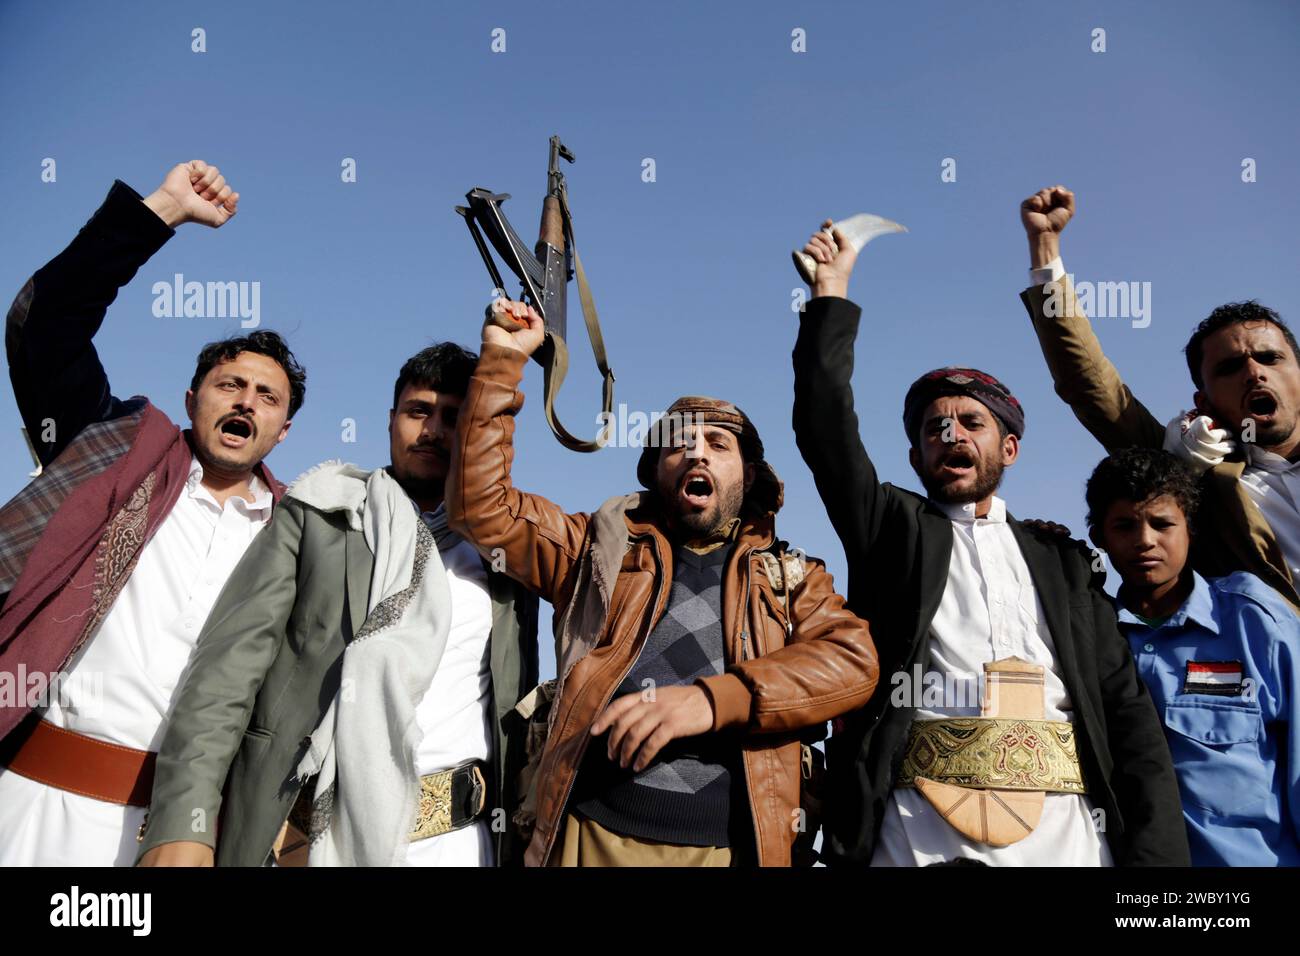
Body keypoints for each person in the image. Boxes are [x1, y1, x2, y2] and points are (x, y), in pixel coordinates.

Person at [791, 219, 1188, 866]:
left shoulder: (1062, 565)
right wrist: (830, 293)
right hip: (915, 840)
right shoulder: (892, 531)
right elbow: (824, 426)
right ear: (916, 457)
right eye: (933, 428)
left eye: (971, 422)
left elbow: (1129, 722)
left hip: (1069, 845)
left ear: (1008, 447)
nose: (951, 435)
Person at [445, 297, 880, 866]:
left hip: (732, 848)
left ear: (748, 476)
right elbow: (482, 508)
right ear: (656, 472)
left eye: (718, 443)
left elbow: (854, 662)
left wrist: (711, 701)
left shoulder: (791, 576)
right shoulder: (592, 548)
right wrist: (503, 361)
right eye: (678, 444)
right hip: (591, 836)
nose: (696, 451)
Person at [0, 161, 305, 866]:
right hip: (35, 806)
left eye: (267, 396)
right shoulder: (114, 449)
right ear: (193, 397)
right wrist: (159, 212)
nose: (244, 401)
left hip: (185, 841)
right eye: (228, 383)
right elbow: (42, 322)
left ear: (284, 431)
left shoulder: (299, 534)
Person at [136, 343, 539, 867]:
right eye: (419, 412)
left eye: (454, 417)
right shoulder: (320, 513)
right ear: (392, 420)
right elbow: (224, 677)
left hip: (458, 844)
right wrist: (181, 826)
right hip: (306, 838)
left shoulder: (508, 554)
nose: (434, 431)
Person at [1019, 184, 1300, 611]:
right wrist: (1045, 247)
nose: (1254, 372)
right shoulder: (1191, 473)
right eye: (1229, 367)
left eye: (1269, 357)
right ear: (1202, 402)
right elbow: (1090, 385)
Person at [1086, 447, 1300, 865]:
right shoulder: (1089, 639)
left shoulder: (1253, 619)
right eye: (1125, 526)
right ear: (1100, 538)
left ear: (1191, 529)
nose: (1145, 540)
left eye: (1162, 524)